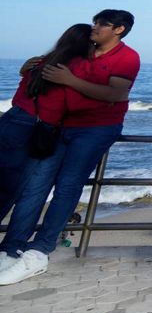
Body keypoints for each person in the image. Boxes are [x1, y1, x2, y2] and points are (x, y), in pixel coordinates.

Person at [0, 10, 140, 286]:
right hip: (59, 127)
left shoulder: (127, 57)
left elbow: (116, 94)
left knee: (67, 185)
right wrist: (31, 68)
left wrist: (69, 81)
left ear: (119, 29)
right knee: (35, 186)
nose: (95, 27)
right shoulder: (82, 53)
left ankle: (39, 251)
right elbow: (45, 78)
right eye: (95, 22)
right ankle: (12, 247)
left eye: (102, 24)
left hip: (94, 130)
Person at [0, 24, 93, 222]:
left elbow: (18, 97)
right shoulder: (78, 68)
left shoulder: (40, 61)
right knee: (10, 187)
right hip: (36, 127)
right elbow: (74, 105)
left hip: (11, 119)